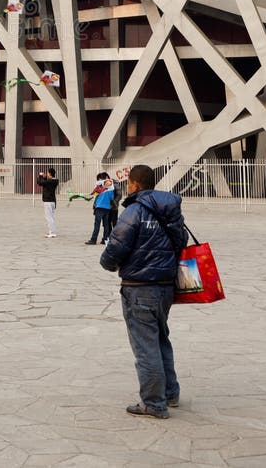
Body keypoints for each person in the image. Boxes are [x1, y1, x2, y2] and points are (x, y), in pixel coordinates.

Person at [100, 164, 188, 419]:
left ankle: (153, 402)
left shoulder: (134, 211)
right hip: (166, 286)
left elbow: (115, 247)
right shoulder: (171, 210)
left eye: (128, 183)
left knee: (145, 346)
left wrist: (109, 264)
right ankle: (170, 393)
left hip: (139, 287)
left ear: (135, 185)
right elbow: (181, 241)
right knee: (160, 339)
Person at [85, 172, 115, 245]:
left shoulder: (99, 188)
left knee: (97, 224)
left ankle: (93, 240)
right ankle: (105, 239)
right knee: (106, 225)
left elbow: (94, 195)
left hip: (99, 208)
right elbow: (112, 198)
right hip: (107, 208)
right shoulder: (111, 189)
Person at [36, 167, 58, 238]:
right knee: (52, 217)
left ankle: (52, 233)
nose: (47, 174)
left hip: (48, 202)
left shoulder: (50, 181)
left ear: (50, 174)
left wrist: (40, 176)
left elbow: (40, 183)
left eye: (48, 173)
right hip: (53, 201)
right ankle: (52, 232)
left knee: (49, 217)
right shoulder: (55, 181)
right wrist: (45, 177)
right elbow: (46, 183)